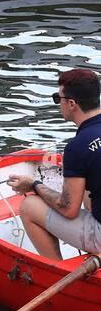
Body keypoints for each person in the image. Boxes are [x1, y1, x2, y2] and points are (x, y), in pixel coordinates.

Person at [6, 69, 101, 260]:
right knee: (86, 185)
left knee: (29, 206)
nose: (59, 104)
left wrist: (34, 185)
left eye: (58, 98)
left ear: (71, 103)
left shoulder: (77, 147)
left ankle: (57, 272)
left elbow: (68, 208)